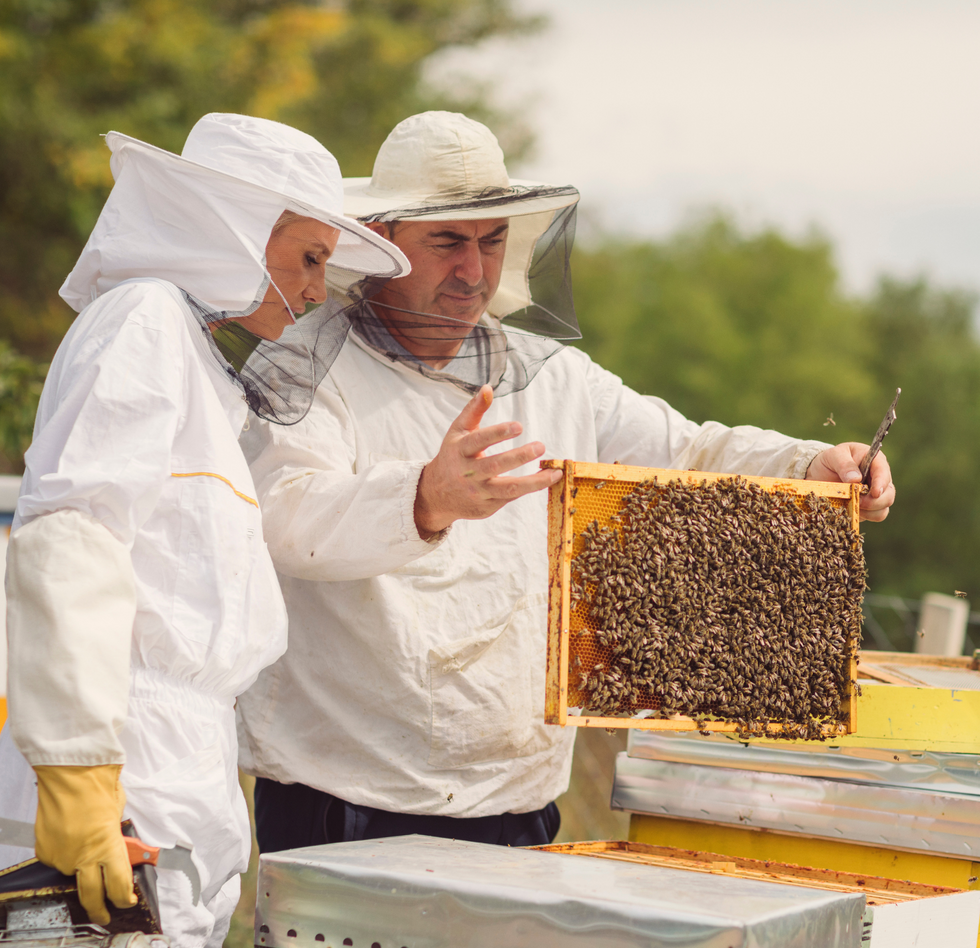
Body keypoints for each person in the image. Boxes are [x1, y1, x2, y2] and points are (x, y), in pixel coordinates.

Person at [236, 110, 895, 857]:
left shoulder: (551, 375)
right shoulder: (303, 370)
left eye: (492, 242)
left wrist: (810, 466)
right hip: (349, 796)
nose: (474, 270)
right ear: (383, 241)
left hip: (519, 797)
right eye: (448, 241)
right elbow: (284, 521)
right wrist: (424, 498)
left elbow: (685, 450)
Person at [0, 112, 408, 948]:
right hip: (124, 759)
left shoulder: (195, 360)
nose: (310, 291)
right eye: (303, 258)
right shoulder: (136, 325)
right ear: (224, 227)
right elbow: (72, 535)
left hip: (186, 760)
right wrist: (80, 770)